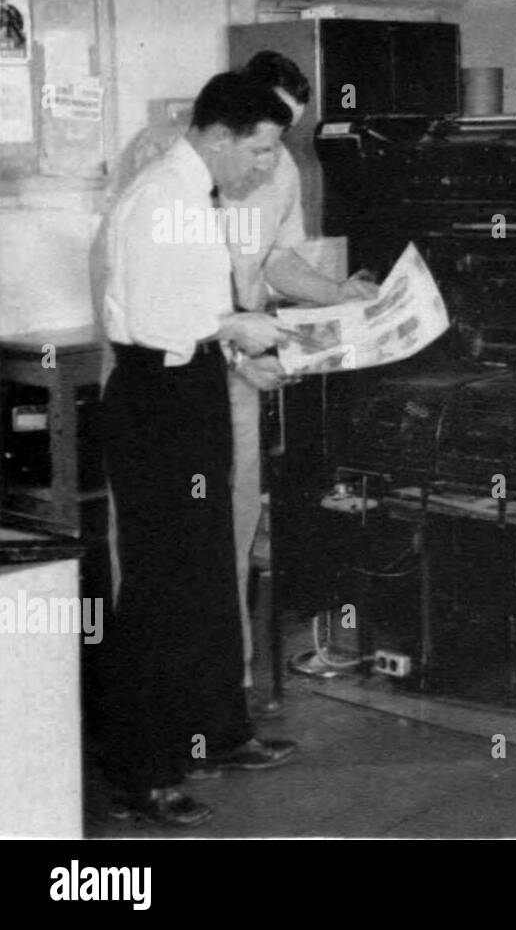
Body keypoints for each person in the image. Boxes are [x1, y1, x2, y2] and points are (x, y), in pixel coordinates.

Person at [99, 72, 298, 828]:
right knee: (160, 591)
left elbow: (190, 314)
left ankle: (218, 731)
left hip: (192, 394)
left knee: (213, 572)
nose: (268, 165)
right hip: (158, 406)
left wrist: (243, 357)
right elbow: (157, 324)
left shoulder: (196, 200)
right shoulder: (160, 201)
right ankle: (140, 774)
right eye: (262, 148)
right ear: (218, 136)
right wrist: (242, 330)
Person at [224, 52, 377, 707]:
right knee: (175, 546)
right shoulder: (187, 170)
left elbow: (279, 261)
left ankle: (232, 689)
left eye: (286, 131)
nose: (277, 146)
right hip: (183, 367)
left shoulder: (280, 167)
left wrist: (336, 292)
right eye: (269, 129)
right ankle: (177, 705)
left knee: (233, 530)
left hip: (240, 366)